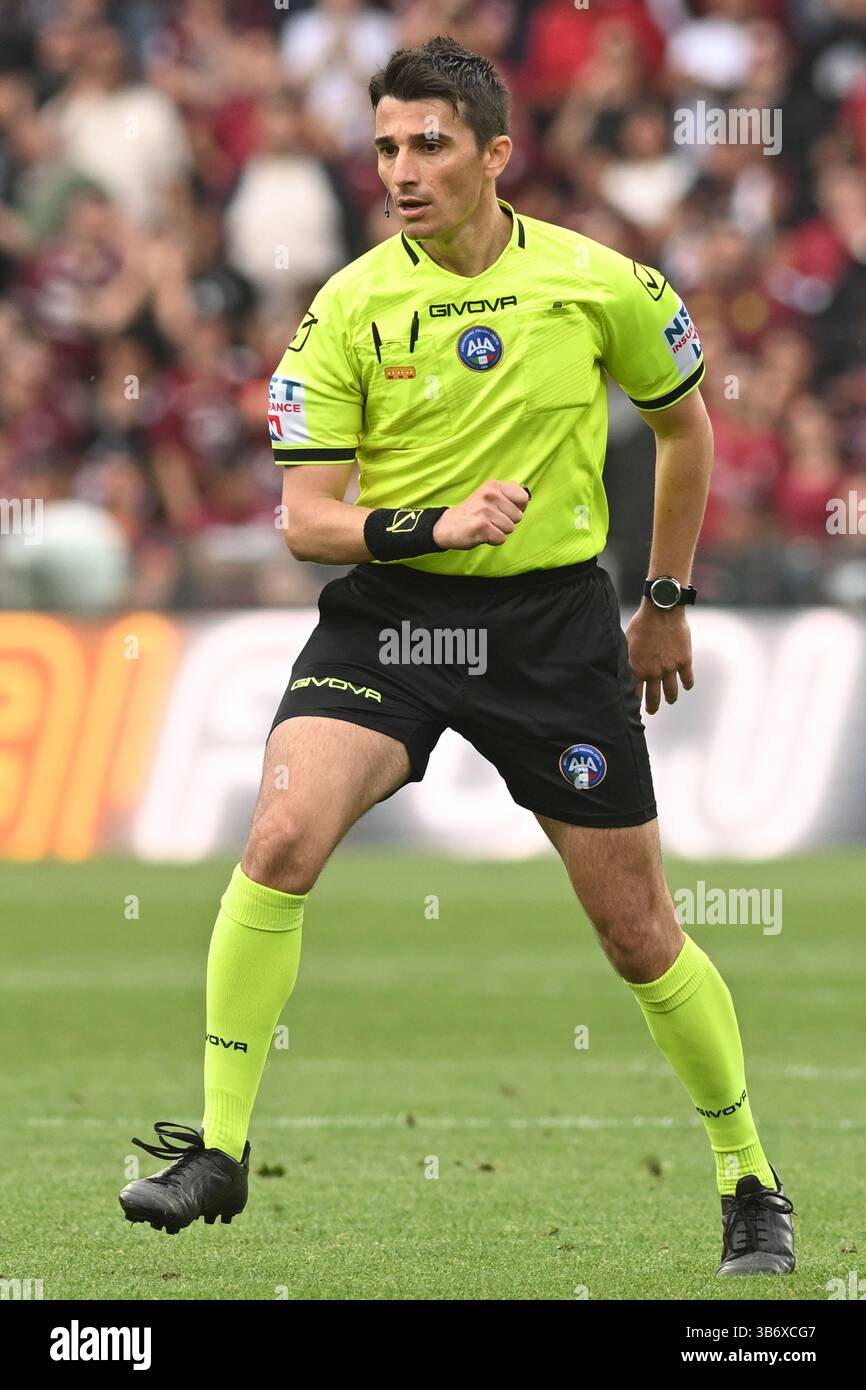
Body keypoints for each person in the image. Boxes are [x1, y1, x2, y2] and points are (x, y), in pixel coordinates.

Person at [119, 35, 795, 1278]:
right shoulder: (348, 305)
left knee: (638, 929)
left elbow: (685, 429)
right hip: (390, 619)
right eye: (384, 147)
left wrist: (663, 599)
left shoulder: (604, 286)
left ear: (495, 153)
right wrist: (427, 523)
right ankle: (215, 1148)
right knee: (277, 838)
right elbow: (306, 519)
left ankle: (746, 1175)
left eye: (427, 144)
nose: (400, 170)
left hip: (552, 632)